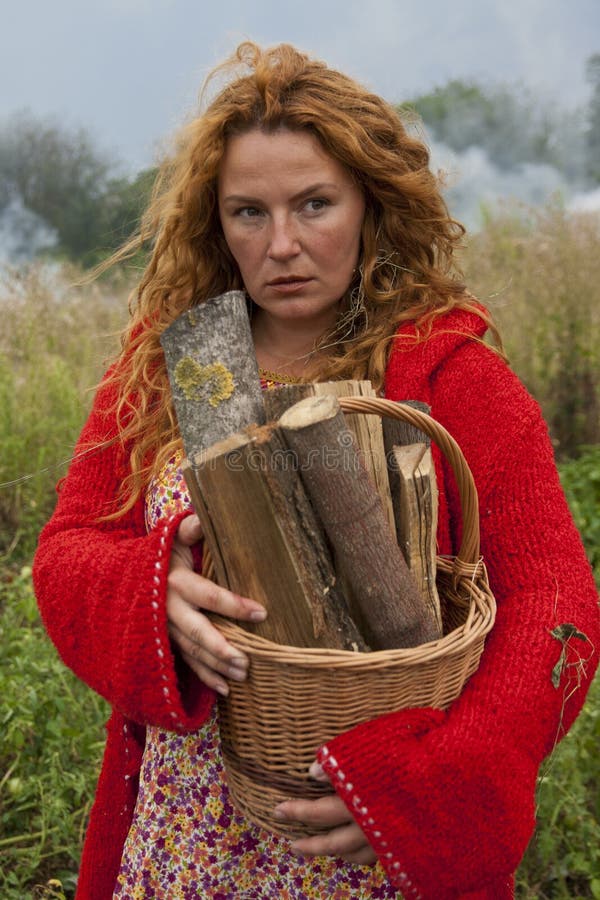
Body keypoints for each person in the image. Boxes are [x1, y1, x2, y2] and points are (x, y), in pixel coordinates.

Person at [33, 41, 599, 900]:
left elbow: (559, 604)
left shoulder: (447, 371)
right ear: (215, 222)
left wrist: (438, 781)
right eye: (248, 213)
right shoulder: (173, 368)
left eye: (314, 204)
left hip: (372, 841)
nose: (283, 244)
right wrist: (151, 591)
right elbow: (66, 550)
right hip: (188, 838)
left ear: (371, 202)